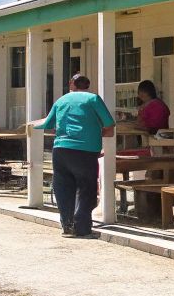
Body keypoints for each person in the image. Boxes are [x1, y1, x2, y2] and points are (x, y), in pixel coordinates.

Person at [33, 73, 115, 237]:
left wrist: (31, 125)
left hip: (61, 149)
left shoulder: (61, 100)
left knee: (63, 188)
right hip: (86, 151)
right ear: (87, 85)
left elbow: (48, 124)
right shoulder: (93, 99)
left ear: (71, 84)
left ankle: (67, 226)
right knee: (87, 189)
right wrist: (97, 134)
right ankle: (82, 228)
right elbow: (109, 123)